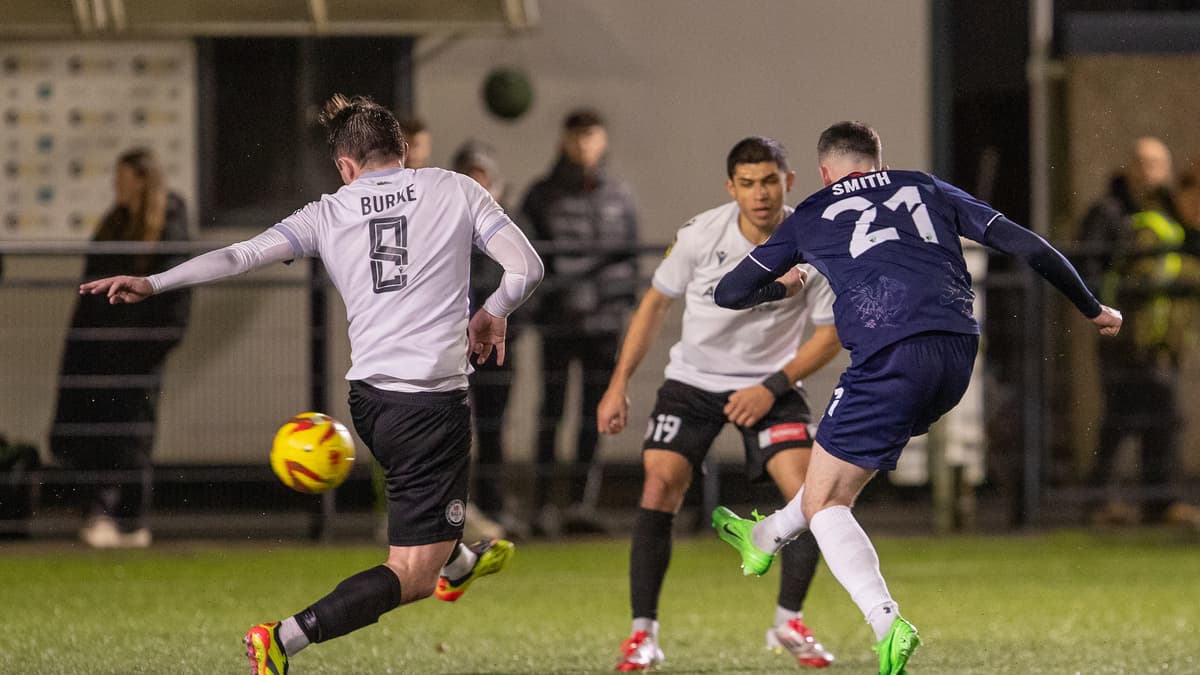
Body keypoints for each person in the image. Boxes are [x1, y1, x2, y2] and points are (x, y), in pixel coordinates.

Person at [78, 94, 544, 674]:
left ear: (345, 166)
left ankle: (455, 561)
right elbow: (528, 268)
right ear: (402, 151)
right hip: (431, 406)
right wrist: (493, 310)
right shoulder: (455, 189)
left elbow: (238, 256)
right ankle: (286, 637)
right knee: (409, 576)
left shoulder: (328, 211)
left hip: (370, 402)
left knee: (427, 518)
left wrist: (153, 282)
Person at [709, 121, 1122, 674]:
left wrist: (784, 284)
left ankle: (886, 622)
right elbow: (1025, 243)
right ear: (878, 163)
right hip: (956, 357)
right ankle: (763, 537)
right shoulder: (925, 186)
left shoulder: (812, 211)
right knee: (830, 482)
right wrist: (1092, 307)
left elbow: (728, 292)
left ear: (827, 172)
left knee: (827, 502)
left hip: (890, 358)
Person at [596, 137, 842, 671]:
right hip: (693, 383)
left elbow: (829, 337)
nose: (760, 194)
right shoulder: (700, 235)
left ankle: (788, 623)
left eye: (770, 181)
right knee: (660, 482)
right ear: (731, 188)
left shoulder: (814, 242)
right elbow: (654, 305)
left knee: (812, 499)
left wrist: (770, 387)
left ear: (789, 182)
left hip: (771, 387)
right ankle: (643, 635)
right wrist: (619, 384)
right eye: (748, 184)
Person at [50, 147, 192, 549]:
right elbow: (89, 290)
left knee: (132, 435)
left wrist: (149, 347)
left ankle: (130, 519)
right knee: (95, 431)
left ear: (142, 181)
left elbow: (175, 299)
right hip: (98, 352)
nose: (117, 188)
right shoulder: (114, 222)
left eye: (124, 180)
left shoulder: (168, 222)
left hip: (139, 354)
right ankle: (100, 513)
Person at [522, 108, 639, 534]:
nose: (585, 145)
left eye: (592, 137)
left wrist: (619, 304)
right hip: (559, 319)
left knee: (596, 414)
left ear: (604, 141)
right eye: (578, 137)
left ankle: (580, 506)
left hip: (605, 324)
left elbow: (629, 256)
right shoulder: (542, 195)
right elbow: (530, 257)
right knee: (550, 411)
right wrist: (551, 302)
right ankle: (542, 507)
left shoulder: (619, 197)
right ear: (563, 141)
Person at [1077, 137, 1200, 527]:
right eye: (1145, 164)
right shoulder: (1110, 211)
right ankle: (1101, 501)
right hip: (1123, 335)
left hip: (1164, 337)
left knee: (1161, 419)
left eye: (1158, 164)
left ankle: (1157, 501)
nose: (1152, 173)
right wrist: (1098, 313)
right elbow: (1087, 265)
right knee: (1122, 418)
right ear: (1129, 167)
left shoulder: (1169, 212)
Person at [455, 139, 531, 539]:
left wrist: (500, 313)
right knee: (452, 429)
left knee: (493, 429)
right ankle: (456, 509)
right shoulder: (441, 218)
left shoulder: (509, 220)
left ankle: (492, 506)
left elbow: (532, 270)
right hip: (453, 344)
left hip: (499, 342)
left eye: (481, 176)